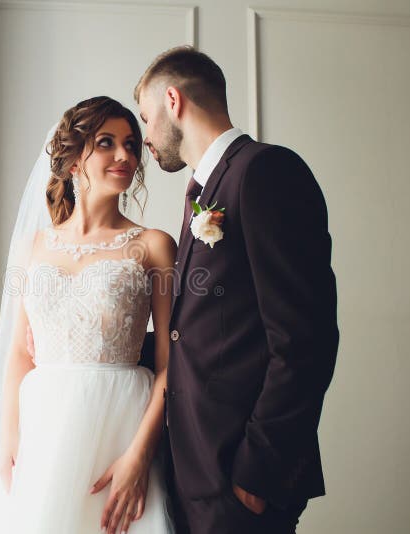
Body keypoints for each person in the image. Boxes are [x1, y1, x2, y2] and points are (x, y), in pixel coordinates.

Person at [0, 96, 177, 534]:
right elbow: (19, 353)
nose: (125, 155)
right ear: (73, 161)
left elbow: (172, 365)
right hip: (42, 428)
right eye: (106, 143)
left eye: (131, 145)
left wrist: (139, 455)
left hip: (119, 427)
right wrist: (9, 440)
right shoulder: (33, 247)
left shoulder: (153, 245)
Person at [134, 45, 340, 534]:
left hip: (241, 479)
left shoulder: (266, 171)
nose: (146, 138)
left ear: (172, 100)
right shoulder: (204, 191)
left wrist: (259, 471)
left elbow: (304, 339)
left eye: (145, 118)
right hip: (193, 470)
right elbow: (201, 331)